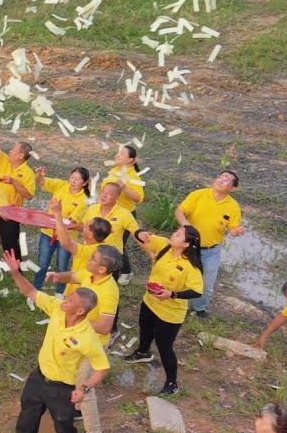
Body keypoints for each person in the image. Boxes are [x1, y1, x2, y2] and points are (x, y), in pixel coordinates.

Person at [0, 249, 109, 433]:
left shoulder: (87, 337)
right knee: (25, 424)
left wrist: (84, 389)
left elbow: (102, 367)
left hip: (62, 391)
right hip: (38, 380)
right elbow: (30, 291)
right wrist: (15, 272)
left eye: (69, 300)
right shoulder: (57, 309)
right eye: (67, 297)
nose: (64, 300)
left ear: (80, 311)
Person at [46, 244, 121, 433]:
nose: (89, 259)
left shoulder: (109, 291)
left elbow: (105, 327)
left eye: (93, 258)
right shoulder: (90, 276)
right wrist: (58, 276)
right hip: (78, 341)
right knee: (76, 378)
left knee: (85, 388)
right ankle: (78, 410)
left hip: (92, 345)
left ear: (102, 269)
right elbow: (74, 276)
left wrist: (78, 322)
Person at [122, 226, 204, 396]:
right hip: (150, 301)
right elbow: (144, 236)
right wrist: (140, 233)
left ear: (186, 244)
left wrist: (171, 294)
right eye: (176, 232)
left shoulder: (190, 266)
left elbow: (196, 291)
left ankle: (172, 383)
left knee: (164, 346)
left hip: (170, 313)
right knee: (144, 328)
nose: (174, 234)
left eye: (179, 235)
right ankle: (143, 352)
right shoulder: (166, 246)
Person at [175, 170, 245, 319]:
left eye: (226, 180)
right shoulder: (199, 194)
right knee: (183, 277)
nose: (221, 180)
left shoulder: (232, 206)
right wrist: (186, 225)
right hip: (189, 246)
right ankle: (181, 306)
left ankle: (199, 307)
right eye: (220, 176)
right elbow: (179, 211)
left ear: (232, 188)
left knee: (206, 284)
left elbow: (233, 227)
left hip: (210, 251)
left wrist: (235, 231)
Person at [0, 120, 35, 256]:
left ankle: (15, 268)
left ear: (21, 156)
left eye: (13, 150)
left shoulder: (27, 173)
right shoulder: (3, 160)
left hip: (10, 213)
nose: (10, 151)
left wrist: (14, 182)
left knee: (10, 242)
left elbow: (29, 195)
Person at [30, 166, 91, 291]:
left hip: (66, 238)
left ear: (84, 183)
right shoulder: (60, 185)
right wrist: (39, 175)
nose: (73, 181)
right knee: (42, 264)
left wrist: (56, 212)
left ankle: (59, 293)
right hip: (48, 233)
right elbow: (40, 181)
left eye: (77, 179)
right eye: (72, 177)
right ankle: (35, 290)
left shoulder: (83, 200)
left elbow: (71, 222)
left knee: (62, 267)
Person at [103, 145, 144, 282]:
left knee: (118, 244)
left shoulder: (133, 176)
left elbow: (138, 198)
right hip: (108, 212)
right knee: (108, 241)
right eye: (118, 152)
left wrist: (125, 188)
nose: (117, 155)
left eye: (122, 154)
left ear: (130, 160)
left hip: (124, 215)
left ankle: (125, 271)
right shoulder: (114, 170)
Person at [81, 182, 137, 281]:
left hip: (110, 261)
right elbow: (83, 226)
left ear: (117, 198)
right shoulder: (92, 209)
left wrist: (151, 251)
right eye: (102, 191)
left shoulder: (124, 214)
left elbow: (137, 233)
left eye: (109, 193)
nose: (103, 195)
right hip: (91, 256)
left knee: (105, 287)